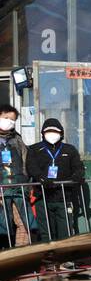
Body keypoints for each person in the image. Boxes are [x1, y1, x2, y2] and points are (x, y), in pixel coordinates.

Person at [25, 118, 86, 242]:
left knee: (66, 231)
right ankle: (49, 259)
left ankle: (66, 258)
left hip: (64, 197)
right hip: (42, 197)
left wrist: (77, 175)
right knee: (46, 231)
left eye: (55, 131)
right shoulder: (34, 149)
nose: (52, 134)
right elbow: (31, 167)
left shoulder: (69, 149)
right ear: (42, 133)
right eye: (48, 131)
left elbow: (78, 167)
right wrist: (41, 178)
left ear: (61, 133)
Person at [0, 104, 28, 248]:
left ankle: (19, 257)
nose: (9, 122)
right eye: (6, 118)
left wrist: (25, 179)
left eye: (12, 120)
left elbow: (25, 160)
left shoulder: (16, 139)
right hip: (1, 189)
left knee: (24, 224)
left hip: (17, 188)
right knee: (3, 226)